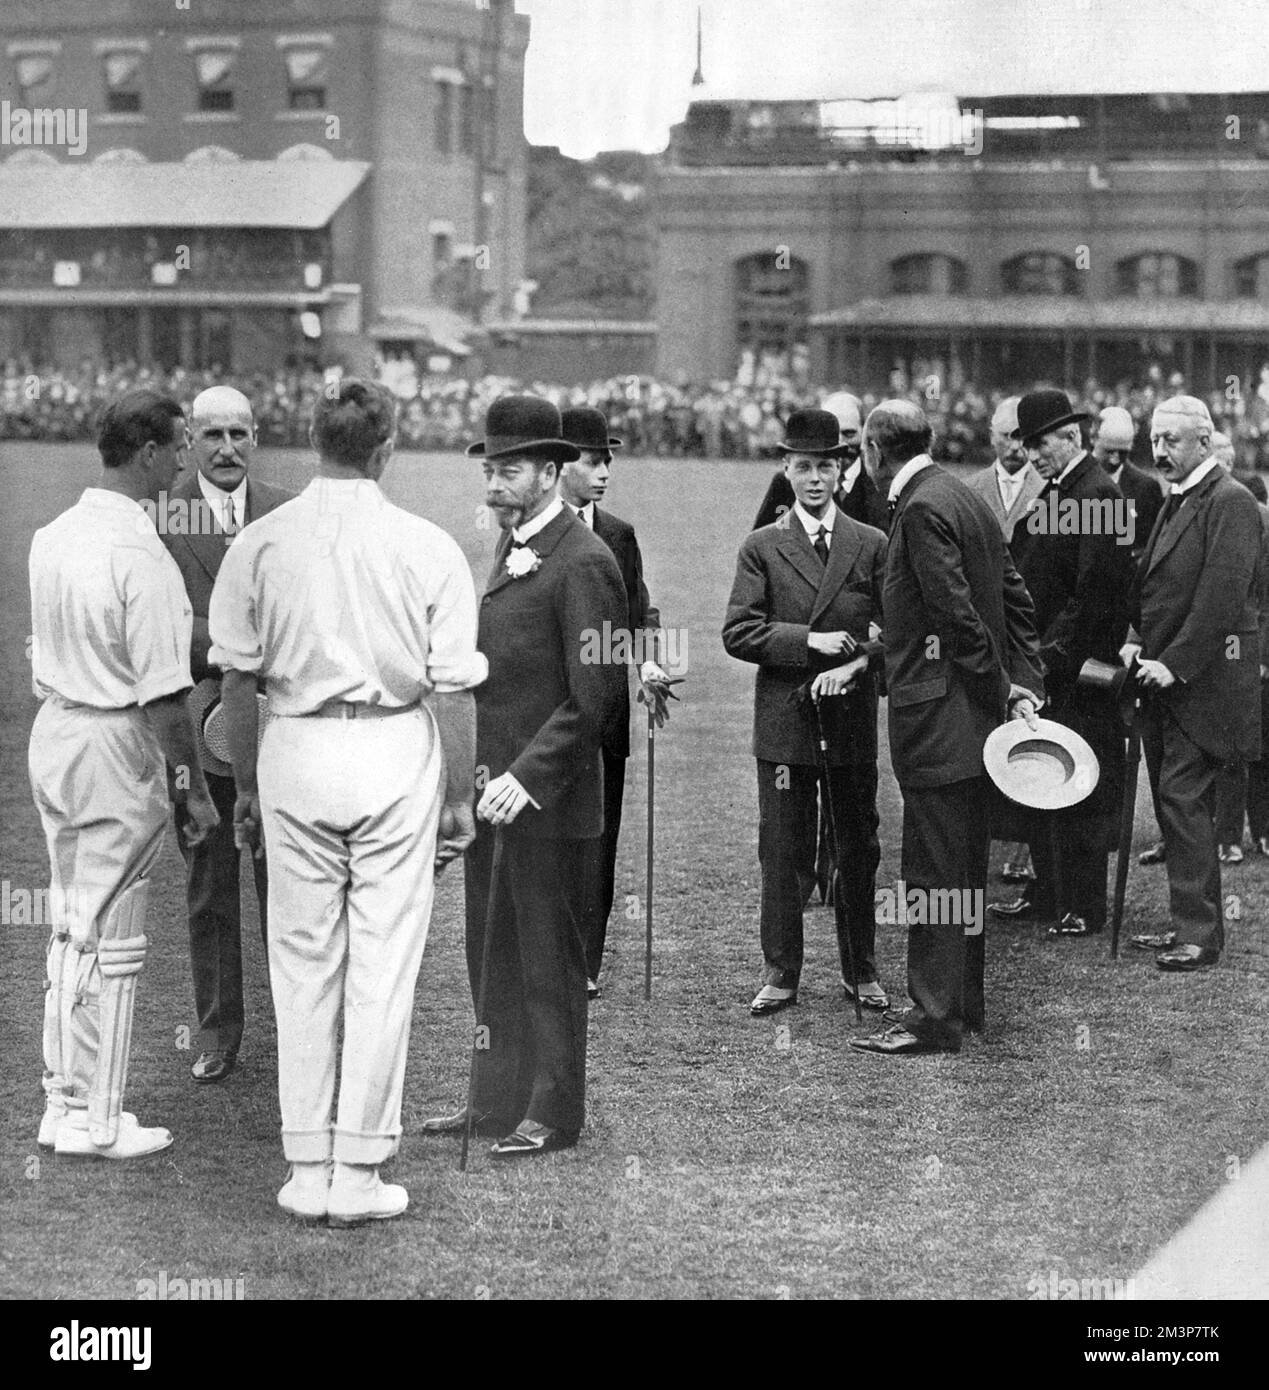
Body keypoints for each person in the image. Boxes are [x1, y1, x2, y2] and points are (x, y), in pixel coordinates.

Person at [208, 379, 486, 1223]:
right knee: (381, 962)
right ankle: (357, 1171)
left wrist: (250, 789)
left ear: (310, 441)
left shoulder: (260, 539)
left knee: (301, 961)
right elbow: (456, 690)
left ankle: (308, 1167)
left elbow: (234, 678)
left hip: (294, 744)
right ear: (388, 446)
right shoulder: (426, 543)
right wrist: (460, 799)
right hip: (392, 748)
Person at [424, 395, 627, 1157]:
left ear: (549, 472)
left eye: (509, 469)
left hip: (545, 800)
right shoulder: (511, 547)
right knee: (491, 954)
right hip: (491, 793)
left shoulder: (585, 560)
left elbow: (597, 695)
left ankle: (553, 1109)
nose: (494, 481)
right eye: (490, 467)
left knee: (547, 958)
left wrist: (530, 775)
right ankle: (493, 1097)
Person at [30, 388, 219, 1158]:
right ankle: (95, 1118)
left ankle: (65, 1100)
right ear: (147, 452)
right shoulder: (139, 551)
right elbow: (168, 697)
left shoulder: (53, 533)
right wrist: (195, 790)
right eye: (178, 446)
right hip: (112, 739)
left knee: (74, 924)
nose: (185, 459)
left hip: (57, 732)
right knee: (113, 934)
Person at [850, 401, 1044, 1056]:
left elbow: (957, 614)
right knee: (959, 866)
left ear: (874, 450)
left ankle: (932, 1017)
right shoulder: (964, 497)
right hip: (968, 721)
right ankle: (960, 1006)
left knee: (935, 872)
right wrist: (1023, 686)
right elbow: (1014, 597)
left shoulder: (925, 506)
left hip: (940, 720)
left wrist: (998, 688)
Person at [723, 408, 889, 1017]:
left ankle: (861, 968)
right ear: (785, 469)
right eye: (803, 466)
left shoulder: (870, 544)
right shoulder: (762, 546)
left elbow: (896, 629)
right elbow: (738, 631)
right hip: (785, 724)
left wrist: (861, 658)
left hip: (849, 720)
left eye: (826, 465)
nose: (815, 478)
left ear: (843, 469)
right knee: (783, 846)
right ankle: (781, 971)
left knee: (856, 843)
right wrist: (807, 642)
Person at [162, 386, 291, 1084]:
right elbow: (158, 618)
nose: (227, 448)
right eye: (211, 435)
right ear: (190, 437)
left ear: (256, 435)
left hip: (281, 726)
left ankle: (296, 1024)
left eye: (239, 433)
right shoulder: (165, 510)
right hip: (198, 724)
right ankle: (216, 1032)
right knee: (211, 884)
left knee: (288, 881)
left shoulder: (285, 509)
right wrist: (236, 650)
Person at [1124, 397, 1262, 972]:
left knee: (1182, 799)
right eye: (1154, 440)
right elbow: (1158, 583)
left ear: (1204, 443)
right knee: (1175, 802)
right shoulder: (1177, 498)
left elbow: (1220, 602)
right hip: (1167, 681)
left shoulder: (1231, 502)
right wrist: (1136, 636)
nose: (1159, 452)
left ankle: (1200, 934)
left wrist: (1174, 663)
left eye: (1171, 441)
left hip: (1205, 686)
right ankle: (1190, 923)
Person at [990, 389, 1130, 938]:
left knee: (1083, 787)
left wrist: (1046, 662)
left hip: (1078, 673)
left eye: (1039, 443)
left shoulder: (1099, 494)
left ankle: (1084, 905)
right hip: (1051, 668)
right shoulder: (1062, 491)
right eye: (1026, 445)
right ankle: (1048, 894)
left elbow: (1095, 596)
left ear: (1070, 437)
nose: (1031, 454)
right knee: (1047, 780)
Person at [557, 405, 673, 997]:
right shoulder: (533, 532)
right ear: (558, 464)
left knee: (599, 842)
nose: (603, 471)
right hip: (548, 716)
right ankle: (547, 951)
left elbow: (637, 611)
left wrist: (648, 660)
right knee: (550, 839)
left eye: (607, 460)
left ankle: (586, 962)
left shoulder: (619, 534)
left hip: (604, 719)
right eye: (590, 460)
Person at [751, 393, 887, 531]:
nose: (840, 443)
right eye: (830, 435)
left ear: (864, 434)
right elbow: (761, 543)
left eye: (849, 434)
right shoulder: (787, 483)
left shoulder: (880, 486)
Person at [963, 396, 1045, 549]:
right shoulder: (968, 490)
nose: (1014, 446)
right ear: (992, 437)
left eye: (1021, 437)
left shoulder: (1050, 490)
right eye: (1005, 436)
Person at [1092, 406, 1163, 563]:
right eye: (1109, 451)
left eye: (1122, 452)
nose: (1115, 459)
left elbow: (1153, 546)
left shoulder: (1147, 488)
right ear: (1093, 439)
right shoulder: (1074, 481)